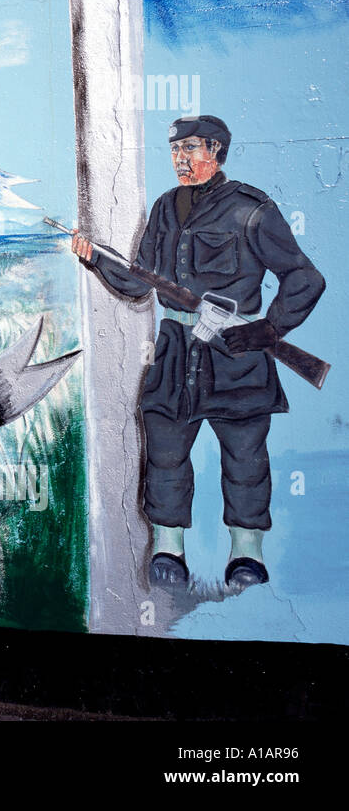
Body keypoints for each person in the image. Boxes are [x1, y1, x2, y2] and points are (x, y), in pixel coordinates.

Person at [71, 116, 324, 590]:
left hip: (237, 355)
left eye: (190, 148)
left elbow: (305, 278)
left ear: (217, 149)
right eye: (174, 150)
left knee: (245, 460)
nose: (180, 159)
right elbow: (139, 282)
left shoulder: (253, 209)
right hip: (174, 356)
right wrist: (95, 259)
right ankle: (169, 551)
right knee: (165, 455)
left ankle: (246, 556)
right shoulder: (165, 208)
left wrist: (269, 329)